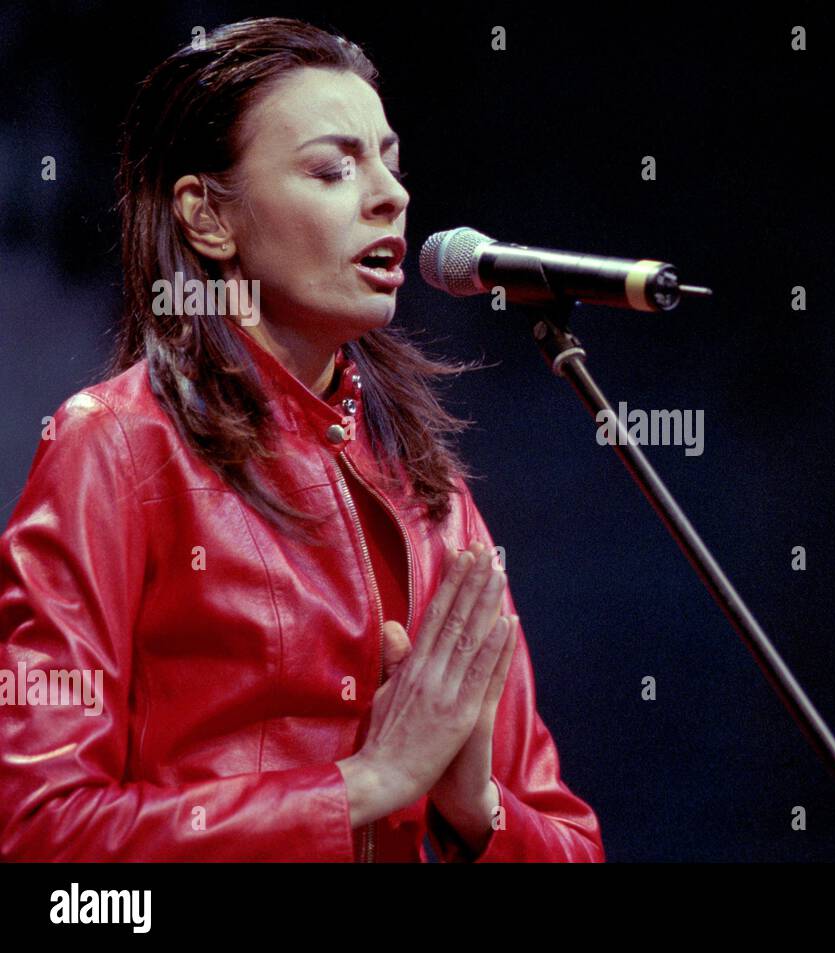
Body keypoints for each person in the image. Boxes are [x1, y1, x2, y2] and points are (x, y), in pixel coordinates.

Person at [0, 17, 604, 862]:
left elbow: (574, 844)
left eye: (390, 162)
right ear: (207, 218)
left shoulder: (428, 489)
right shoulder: (113, 446)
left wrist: (474, 806)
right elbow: (40, 838)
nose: (391, 195)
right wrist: (362, 786)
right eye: (332, 168)